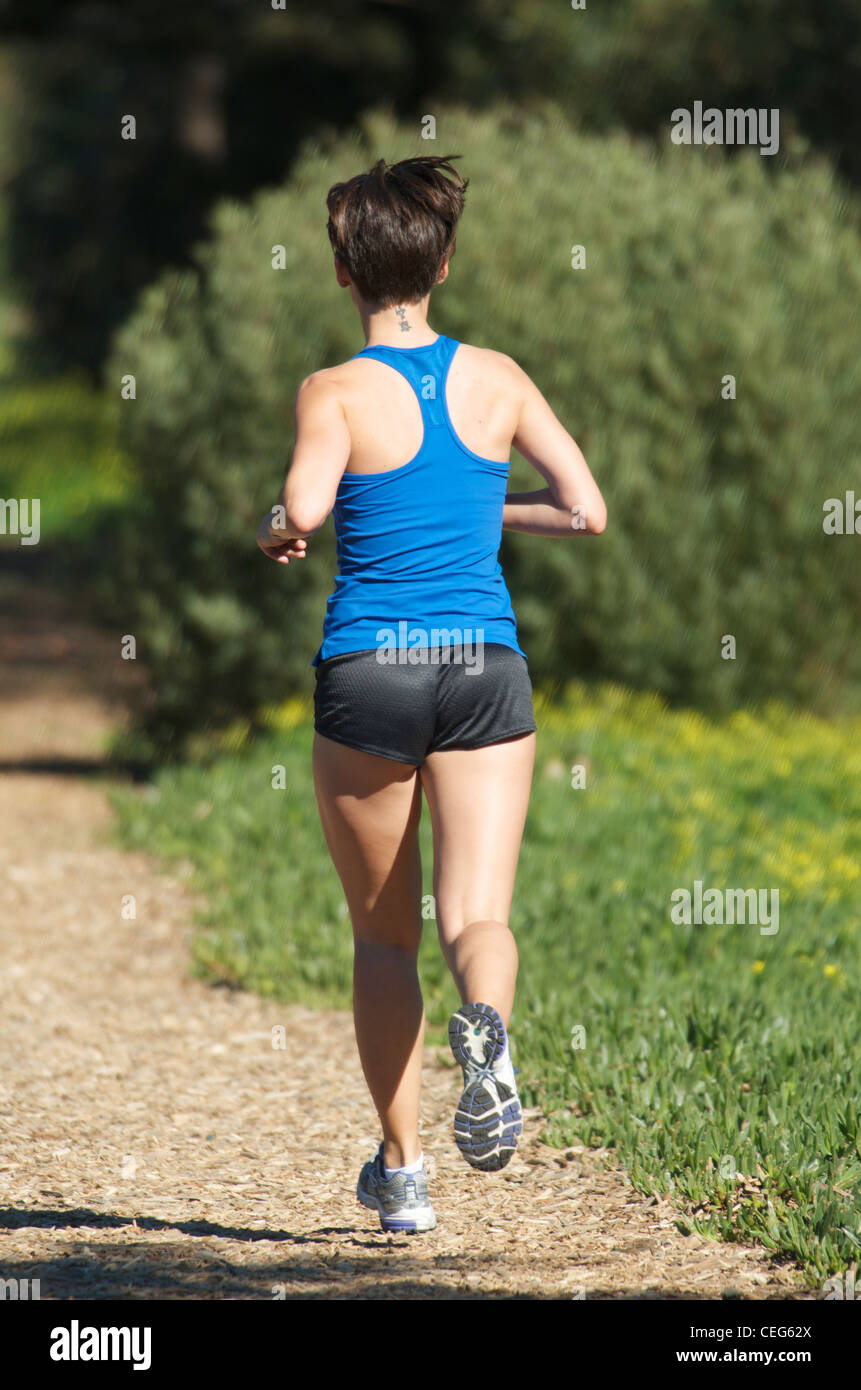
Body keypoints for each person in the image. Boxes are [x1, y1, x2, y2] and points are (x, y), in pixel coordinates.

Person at [256, 154, 606, 1234]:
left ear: (341, 272)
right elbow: (585, 508)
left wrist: (279, 526)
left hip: (372, 670)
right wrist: (483, 510)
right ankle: (488, 1027)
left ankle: (404, 1174)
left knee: (383, 938)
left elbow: (306, 507)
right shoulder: (500, 378)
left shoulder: (332, 391)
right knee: (477, 914)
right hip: (483, 665)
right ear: (443, 264)